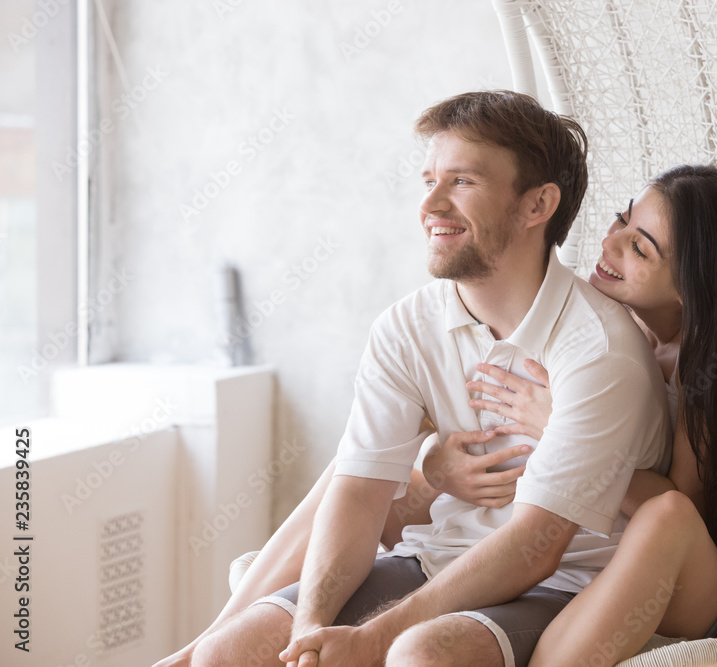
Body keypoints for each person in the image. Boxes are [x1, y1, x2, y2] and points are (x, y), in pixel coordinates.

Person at [154, 89, 672, 667]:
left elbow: (536, 547)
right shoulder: (405, 327)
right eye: (429, 180)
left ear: (536, 205)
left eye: (462, 182)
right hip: (432, 560)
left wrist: (372, 640)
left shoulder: (598, 350)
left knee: (421, 657)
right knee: (226, 654)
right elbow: (356, 493)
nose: (432, 204)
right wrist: (309, 632)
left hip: (561, 586)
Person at [414, 164, 717, 665]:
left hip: (678, 577)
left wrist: (561, 432)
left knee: (669, 516)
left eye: (640, 248)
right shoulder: (590, 330)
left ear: (692, 288)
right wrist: (428, 465)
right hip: (578, 560)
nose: (610, 244)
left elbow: (683, 506)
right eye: (622, 221)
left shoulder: (705, 372)